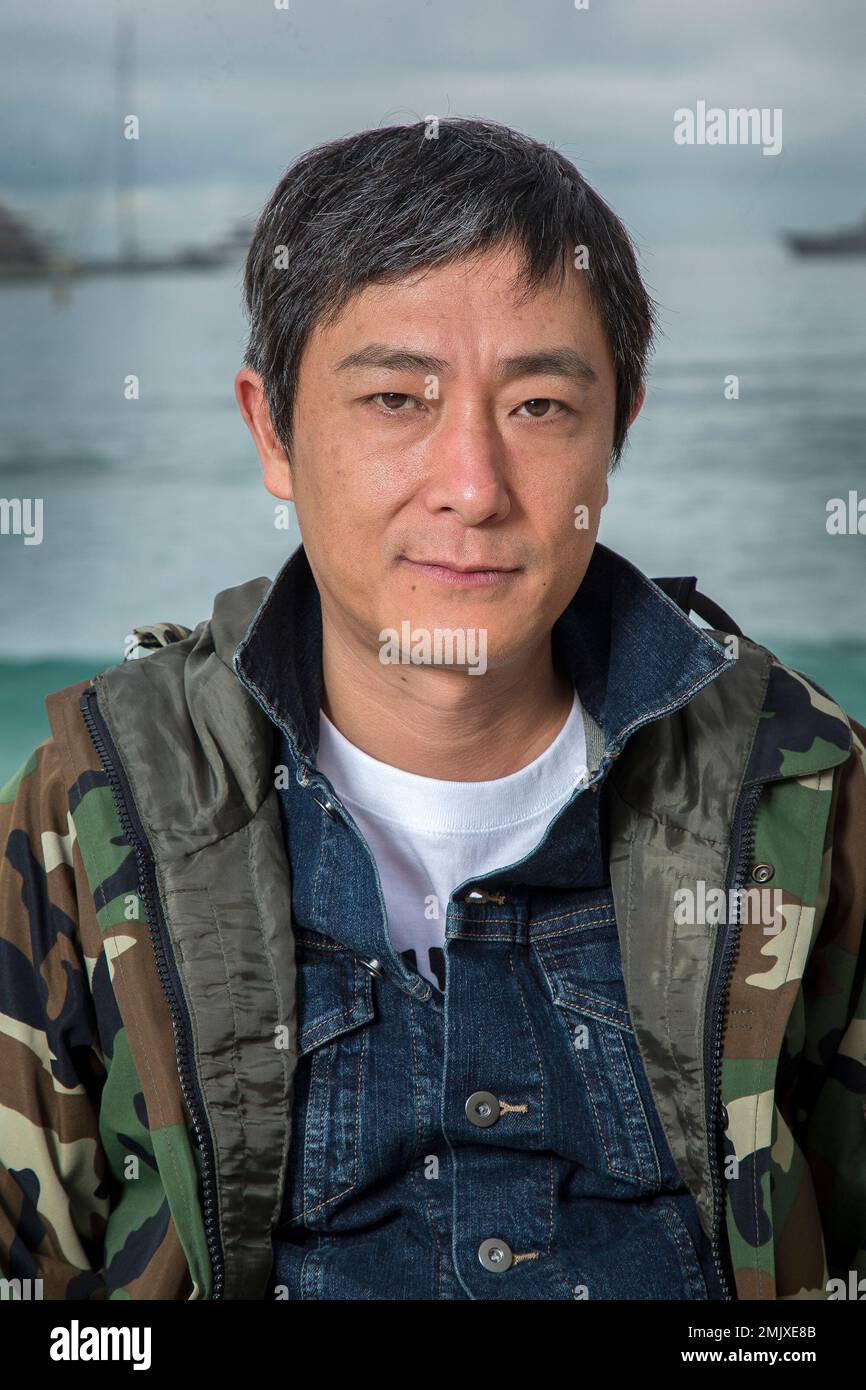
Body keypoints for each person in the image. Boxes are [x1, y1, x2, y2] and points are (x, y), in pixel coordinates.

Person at [1, 117, 864, 1302]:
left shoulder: (799, 790)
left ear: (620, 425)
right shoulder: (99, 800)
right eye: (397, 398)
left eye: (541, 407)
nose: (472, 485)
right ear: (272, 430)